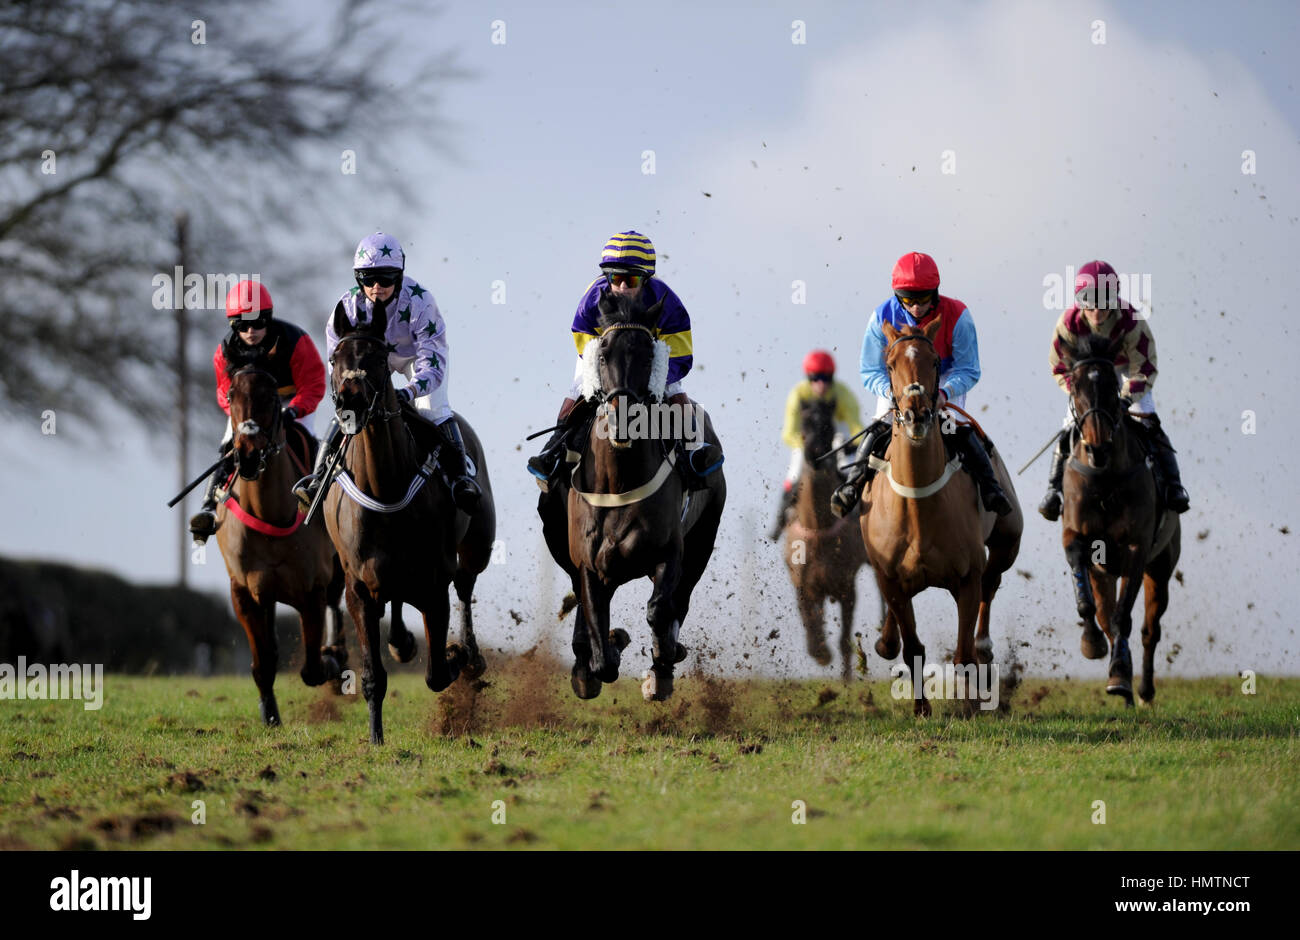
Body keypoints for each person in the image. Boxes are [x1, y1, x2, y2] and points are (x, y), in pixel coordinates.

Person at [292, 232, 480, 514]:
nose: (377, 287)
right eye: (369, 279)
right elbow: (338, 361)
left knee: (432, 408)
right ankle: (318, 478)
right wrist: (347, 393)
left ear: (400, 276)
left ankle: (459, 479)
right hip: (369, 361)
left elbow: (433, 361)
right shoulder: (347, 307)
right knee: (349, 412)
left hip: (415, 357)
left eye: (386, 278)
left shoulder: (421, 302)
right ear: (359, 279)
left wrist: (410, 391)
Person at [526, 230, 722, 491]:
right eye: (615, 278)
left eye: (630, 280)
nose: (621, 287)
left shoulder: (667, 301)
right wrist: (599, 371)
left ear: (646, 279)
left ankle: (695, 451)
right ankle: (554, 449)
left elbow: (680, 352)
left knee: (674, 390)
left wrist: (654, 377)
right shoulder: (593, 297)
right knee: (577, 389)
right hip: (604, 354)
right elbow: (583, 337)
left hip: (652, 356)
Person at [830, 251, 1012, 518]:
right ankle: (852, 485)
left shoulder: (958, 314)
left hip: (942, 379)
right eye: (908, 300)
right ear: (897, 296)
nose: (916, 308)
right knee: (881, 424)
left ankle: (991, 488)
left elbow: (969, 369)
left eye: (923, 299)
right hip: (897, 383)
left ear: (936, 293)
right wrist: (893, 394)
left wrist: (944, 392)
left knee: (953, 423)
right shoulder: (881, 316)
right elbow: (870, 371)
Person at [1038, 259, 1189, 519]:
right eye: (1089, 303)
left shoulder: (1131, 321)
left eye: (1104, 303)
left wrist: (1125, 399)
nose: (1097, 312)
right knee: (1069, 425)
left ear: (1115, 300)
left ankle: (1174, 487)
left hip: (1126, 370)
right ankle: (1054, 491)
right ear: (1079, 301)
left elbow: (1144, 366)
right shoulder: (1068, 323)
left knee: (1148, 419)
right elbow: (1059, 366)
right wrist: (1082, 393)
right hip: (1086, 378)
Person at [189, 280, 325, 543]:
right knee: (229, 443)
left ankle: (321, 497)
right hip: (250, 406)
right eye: (242, 325)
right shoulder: (225, 350)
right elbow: (223, 392)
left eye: (258, 322)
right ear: (233, 326)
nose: (251, 330)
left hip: (293, 400)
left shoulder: (295, 340)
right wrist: (241, 416)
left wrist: (294, 412)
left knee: (310, 442)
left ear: (269, 319)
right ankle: (208, 507)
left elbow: (314, 384)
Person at [767, 350, 864, 540]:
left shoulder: (842, 394)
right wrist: (805, 446)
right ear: (808, 377)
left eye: (827, 378)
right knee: (794, 475)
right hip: (806, 441)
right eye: (816, 378)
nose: (822, 384)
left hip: (836, 436)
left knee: (852, 472)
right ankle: (779, 523)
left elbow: (855, 426)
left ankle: (860, 525)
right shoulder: (798, 394)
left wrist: (853, 443)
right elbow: (788, 433)